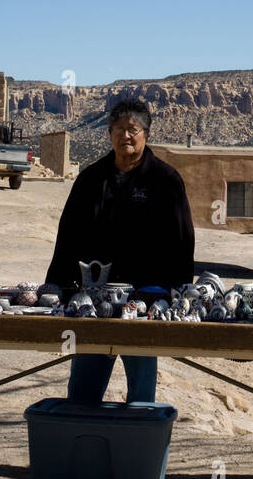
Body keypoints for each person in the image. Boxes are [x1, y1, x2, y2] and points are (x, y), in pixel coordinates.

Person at [44, 98, 195, 404]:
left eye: (133, 129)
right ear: (109, 133)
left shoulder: (165, 181)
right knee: (83, 391)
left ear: (146, 133)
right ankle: (82, 442)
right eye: (119, 129)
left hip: (145, 302)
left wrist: (179, 295)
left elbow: (182, 242)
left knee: (141, 394)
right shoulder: (91, 179)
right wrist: (58, 287)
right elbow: (68, 236)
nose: (126, 135)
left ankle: (137, 444)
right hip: (94, 302)